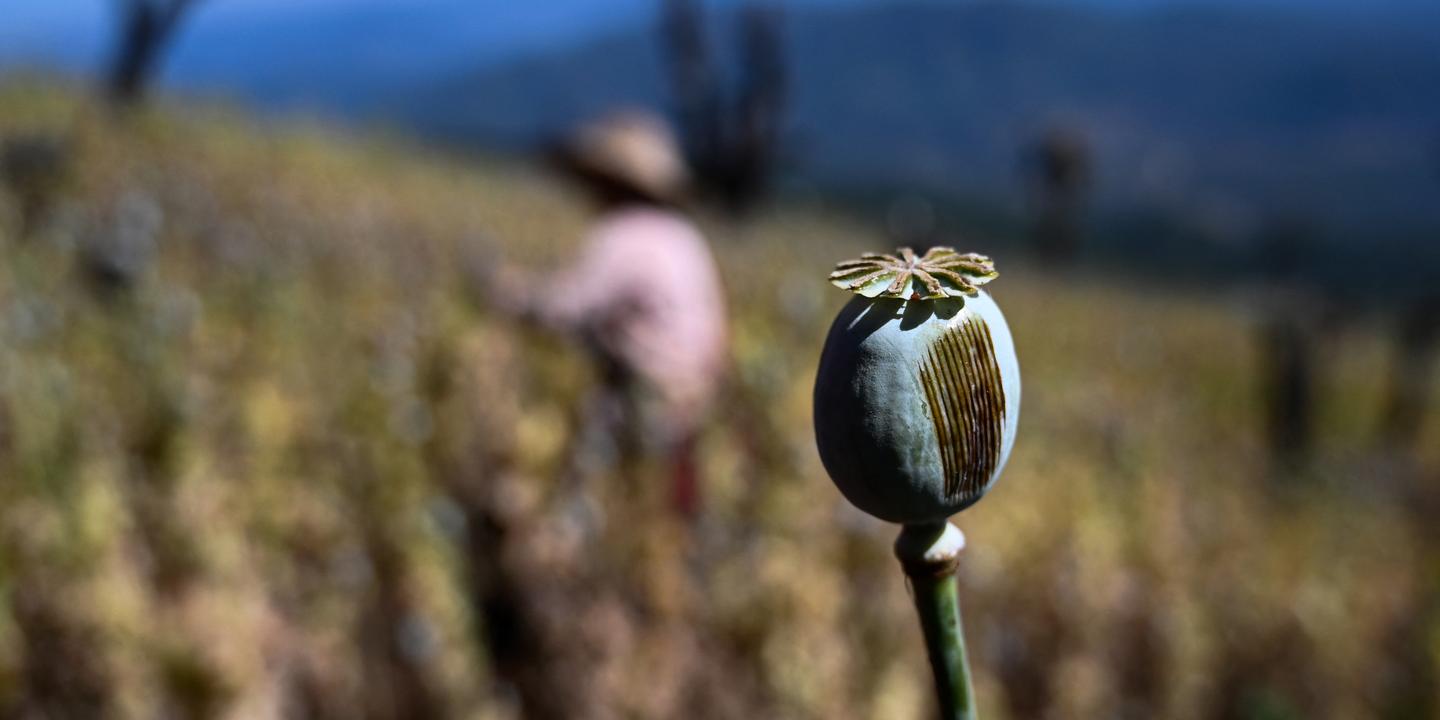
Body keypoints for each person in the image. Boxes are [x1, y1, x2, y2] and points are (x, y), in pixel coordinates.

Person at [490, 111, 729, 519]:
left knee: (590, 492)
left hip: (647, 394)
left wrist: (515, 297)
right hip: (697, 397)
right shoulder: (684, 235)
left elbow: (568, 307)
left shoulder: (623, 234)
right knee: (661, 512)